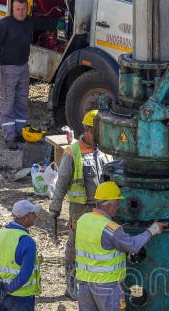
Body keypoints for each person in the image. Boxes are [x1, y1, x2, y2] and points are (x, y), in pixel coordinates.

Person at [72, 182, 164, 311]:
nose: (117, 209)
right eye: (116, 205)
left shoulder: (83, 220)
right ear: (111, 205)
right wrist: (152, 230)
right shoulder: (111, 229)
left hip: (85, 285)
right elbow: (132, 246)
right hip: (107, 288)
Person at [49, 110, 110, 299]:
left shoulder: (104, 150)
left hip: (101, 208)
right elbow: (62, 182)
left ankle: (91, 284)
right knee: (75, 247)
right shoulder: (73, 152)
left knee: (98, 246)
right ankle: (71, 285)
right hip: (80, 209)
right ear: (89, 130)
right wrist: (56, 205)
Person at [0, 0, 56, 150]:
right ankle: (9, 137)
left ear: (27, 9)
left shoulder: (28, 22)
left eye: (24, 9)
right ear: (12, 9)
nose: (21, 12)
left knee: (22, 102)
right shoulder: (4, 24)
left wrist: (59, 23)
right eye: (18, 9)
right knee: (7, 103)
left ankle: (20, 132)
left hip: (23, 68)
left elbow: (44, 24)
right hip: (7, 68)